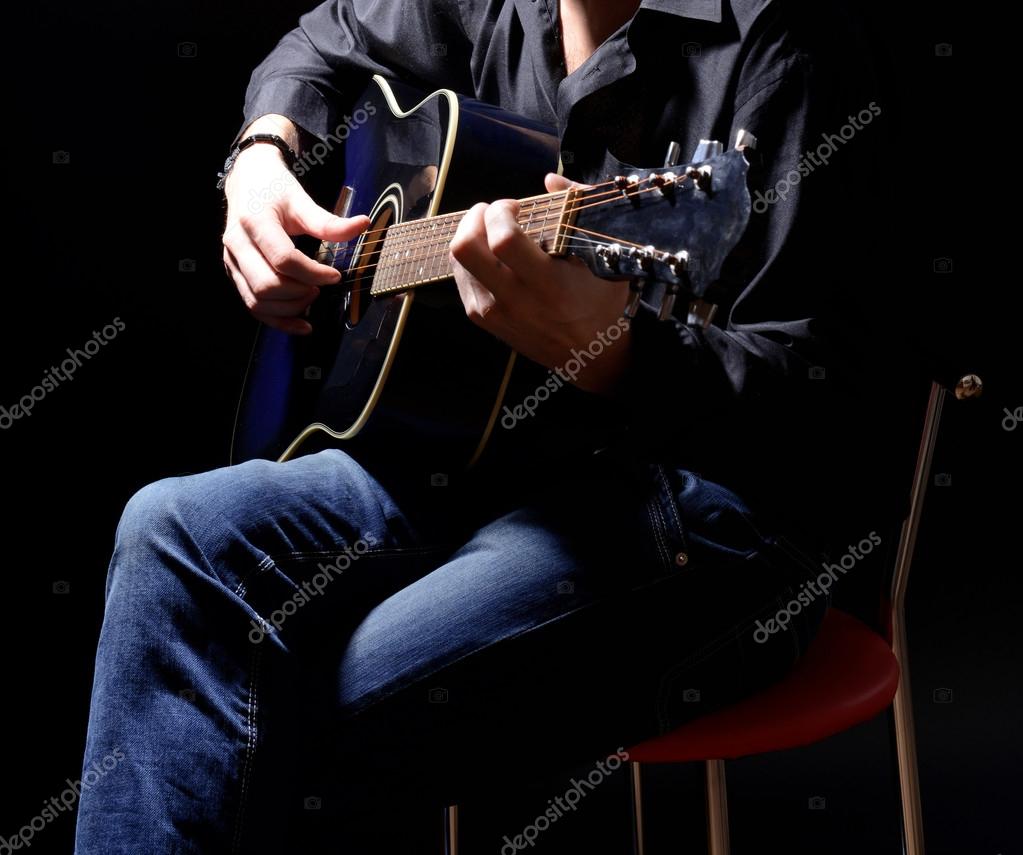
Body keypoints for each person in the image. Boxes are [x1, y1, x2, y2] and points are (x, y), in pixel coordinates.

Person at [74, 0, 921, 851]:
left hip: (703, 508)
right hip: (483, 459)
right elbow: (321, 39)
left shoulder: (789, 43)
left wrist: (617, 354)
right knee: (169, 528)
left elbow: (825, 413)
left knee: (283, 708)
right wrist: (260, 157)